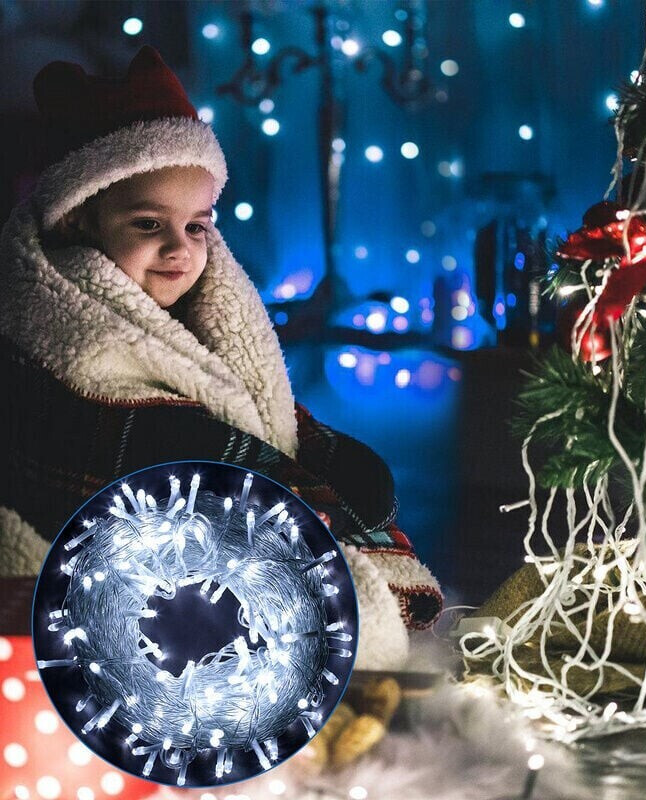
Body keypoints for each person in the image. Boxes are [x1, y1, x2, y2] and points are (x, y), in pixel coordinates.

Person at [0, 45, 442, 669]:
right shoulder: (59, 321)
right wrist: (310, 503)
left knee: (362, 480)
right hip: (118, 531)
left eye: (198, 225)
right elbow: (156, 435)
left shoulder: (192, 306)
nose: (179, 249)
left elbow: (254, 404)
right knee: (310, 570)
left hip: (198, 508)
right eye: (148, 225)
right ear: (79, 223)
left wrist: (330, 468)